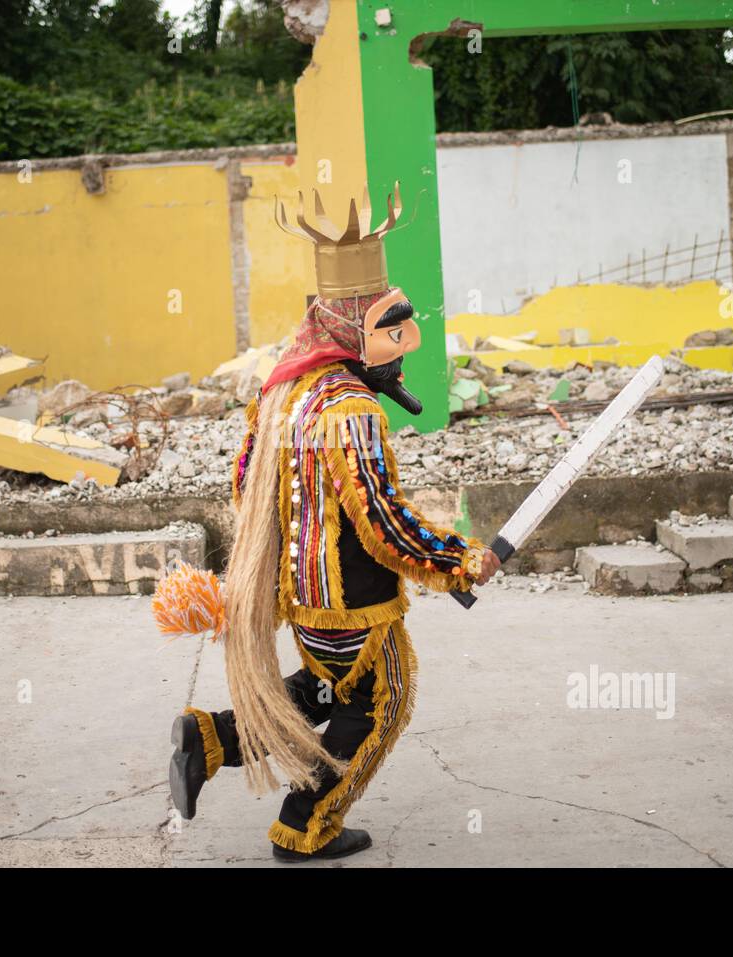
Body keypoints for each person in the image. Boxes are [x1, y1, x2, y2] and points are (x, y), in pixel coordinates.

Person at [166, 185, 499, 862]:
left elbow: (245, 484)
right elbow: (382, 523)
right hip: (356, 605)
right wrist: (460, 561)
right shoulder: (352, 410)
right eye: (391, 333)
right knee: (382, 702)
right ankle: (307, 824)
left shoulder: (285, 390)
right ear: (355, 332)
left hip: (305, 600)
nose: (402, 352)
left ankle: (211, 740)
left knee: (324, 690)